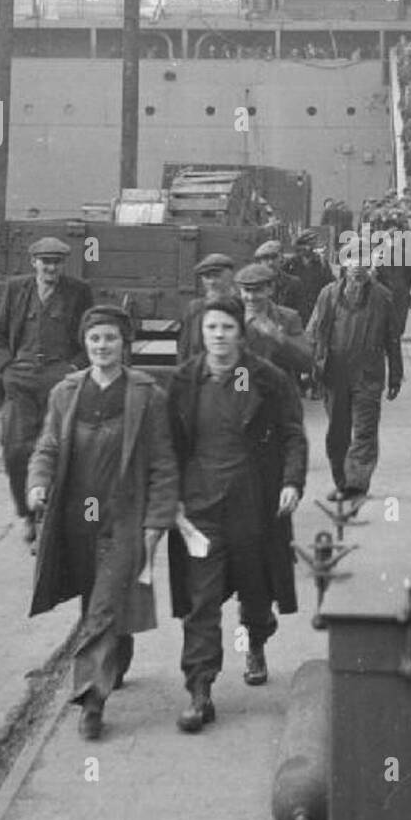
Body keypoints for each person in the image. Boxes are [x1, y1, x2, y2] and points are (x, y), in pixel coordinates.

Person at [26, 306, 178, 739]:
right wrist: (38, 483)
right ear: (85, 343)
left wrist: (158, 519)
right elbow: (48, 446)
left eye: (110, 338)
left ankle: (92, 699)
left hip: (123, 516)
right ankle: (117, 657)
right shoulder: (66, 392)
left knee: (105, 603)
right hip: (77, 516)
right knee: (96, 600)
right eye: (94, 339)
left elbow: (164, 463)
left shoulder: (147, 394)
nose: (102, 346)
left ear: (124, 343)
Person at [167, 296, 307, 732]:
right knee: (201, 601)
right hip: (201, 509)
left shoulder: (262, 379)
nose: (220, 336)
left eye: (228, 328)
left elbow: (292, 435)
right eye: (212, 328)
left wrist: (290, 481)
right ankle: (200, 689)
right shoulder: (186, 381)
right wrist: (169, 496)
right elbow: (167, 444)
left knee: (256, 589)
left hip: (254, 503)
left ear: (240, 335)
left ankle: (257, 643)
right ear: (201, 333)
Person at [0, 237, 94, 543]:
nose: (51, 268)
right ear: (33, 262)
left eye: (57, 262)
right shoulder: (14, 289)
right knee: (15, 448)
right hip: (20, 379)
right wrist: (6, 367)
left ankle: (52, 516)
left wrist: (74, 368)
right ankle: (27, 513)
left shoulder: (78, 292)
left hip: (59, 380)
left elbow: (90, 336)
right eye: (45, 262)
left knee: (59, 448)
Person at [307, 254, 402, 502]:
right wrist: (308, 369)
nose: (357, 266)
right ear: (344, 264)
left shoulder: (382, 297)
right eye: (352, 260)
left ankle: (356, 485)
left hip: (367, 375)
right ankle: (341, 482)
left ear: (370, 265)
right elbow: (313, 332)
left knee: (364, 431)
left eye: (363, 261)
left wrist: (396, 376)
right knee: (338, 434)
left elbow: (393, 339)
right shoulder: (328, 294)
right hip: (334, 374)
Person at [234, 262, 313, 377]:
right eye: (247, 290)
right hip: (246, 388)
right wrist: (243, 390)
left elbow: (307, 363)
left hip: (279, 390)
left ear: (270, 289)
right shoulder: (233, 318)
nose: (251, 297)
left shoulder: (288, 318)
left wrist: (278, 337)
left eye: (257, 290)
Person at [177, 252, 238, 362]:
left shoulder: (241, 306)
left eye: (217, 276)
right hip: (201, 373)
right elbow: (185, 347)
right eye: (207, 277)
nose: (212, 282)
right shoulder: (194, 308)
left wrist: (241, 379)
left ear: (230, 276)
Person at [284, 231, 331, 323]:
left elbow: (328, 286)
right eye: (303, 245)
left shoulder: (322, 264)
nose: (307, 248)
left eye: (310, 245)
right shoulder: (290, 264)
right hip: (293, 310)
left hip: (314, 310)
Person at [254, 238, 305, 318]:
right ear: (260, 261)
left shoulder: (293, 284)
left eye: (274, 257)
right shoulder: (251, 285)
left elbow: (302, 314)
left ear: (281, 258)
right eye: (266, 258)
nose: (270, 263)